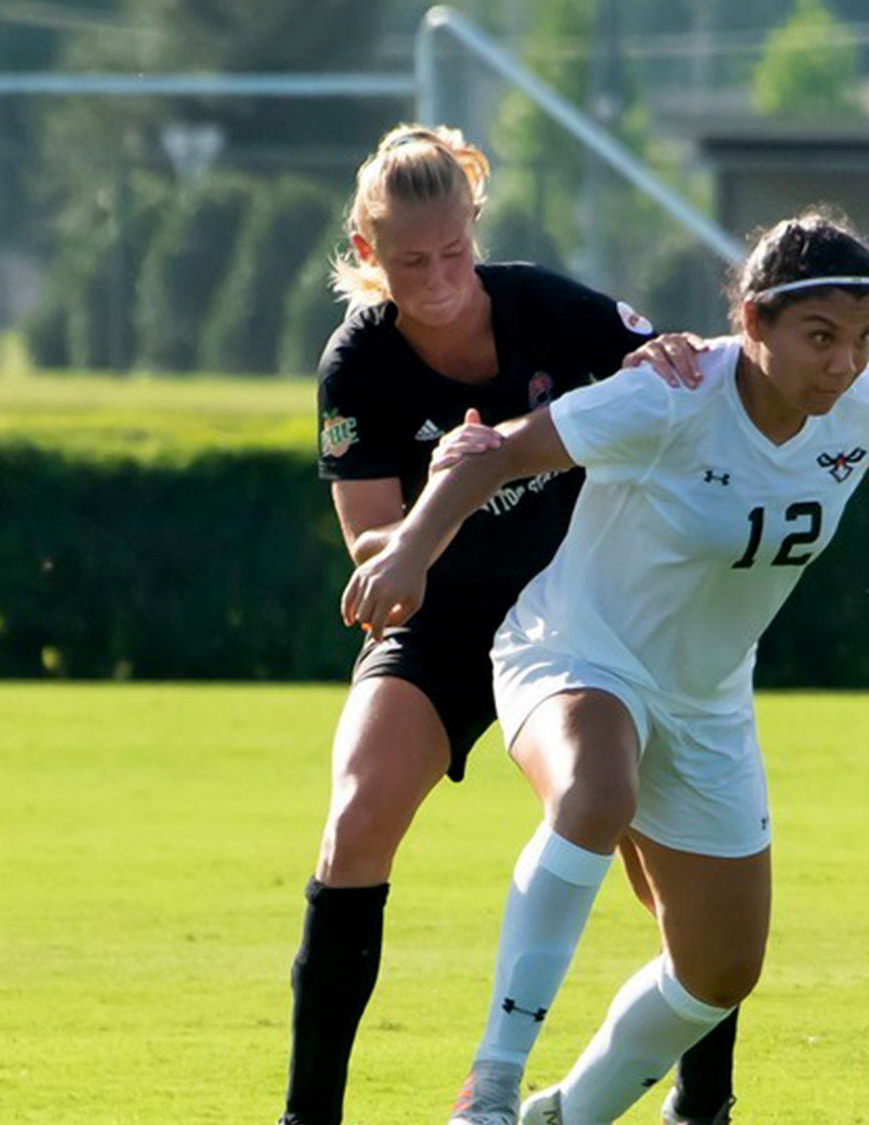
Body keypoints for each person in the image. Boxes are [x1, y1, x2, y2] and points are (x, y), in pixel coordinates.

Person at [341, 208, 869, 1125]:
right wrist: (410, 548)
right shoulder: (668, 396)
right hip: (574, 649)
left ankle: (564, 1116)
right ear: (754, 322)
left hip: (707, 702)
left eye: (860, 338)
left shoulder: (865, 407)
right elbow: (494, 453)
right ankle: (488, 1086)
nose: (843, 361)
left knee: (720, 969)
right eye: (819, 336)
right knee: (595, 795)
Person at [283, 122, 741, 1125]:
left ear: (473, 232)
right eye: (410, 262)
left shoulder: (548, 310)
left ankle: (702, 1103)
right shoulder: (355, 367)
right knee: (354, 824)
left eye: (454, 252)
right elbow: (372, 547)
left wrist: (671, 351)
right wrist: (404, 547)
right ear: (368, 255)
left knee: (651, 859)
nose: (439, 277)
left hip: (585, 618)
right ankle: (306, 1116)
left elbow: (682, 376)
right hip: (444, 623)